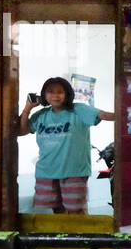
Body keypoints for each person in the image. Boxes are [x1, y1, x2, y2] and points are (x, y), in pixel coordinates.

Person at [17, 77, 115, 214]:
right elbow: (21, 131)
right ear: (44, 94)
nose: (55, 96)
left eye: (60, 92)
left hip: (74, 172)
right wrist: (28, 108)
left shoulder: (78, 110)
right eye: (50, 91)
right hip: (46, 172)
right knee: (56, 211)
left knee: (76, 211)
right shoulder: (41, 115)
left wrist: (127, 116)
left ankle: (78, 235)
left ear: (67, 93)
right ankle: (63, 235)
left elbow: (103, 114)